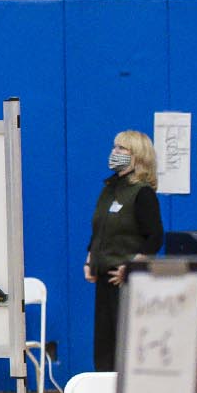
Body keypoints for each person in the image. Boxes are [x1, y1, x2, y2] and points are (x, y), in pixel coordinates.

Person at [83, 129, 163, 372]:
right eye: (114, 147)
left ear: (137, 156)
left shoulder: (142, 193)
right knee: (104, 345)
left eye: (121, 149)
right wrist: (90, 259)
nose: (114, 152)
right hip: (105, 277)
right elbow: (100, 229)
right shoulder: (109, 189)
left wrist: (132, 267)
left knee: (126, 345)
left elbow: (155, 237)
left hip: (126, 281)